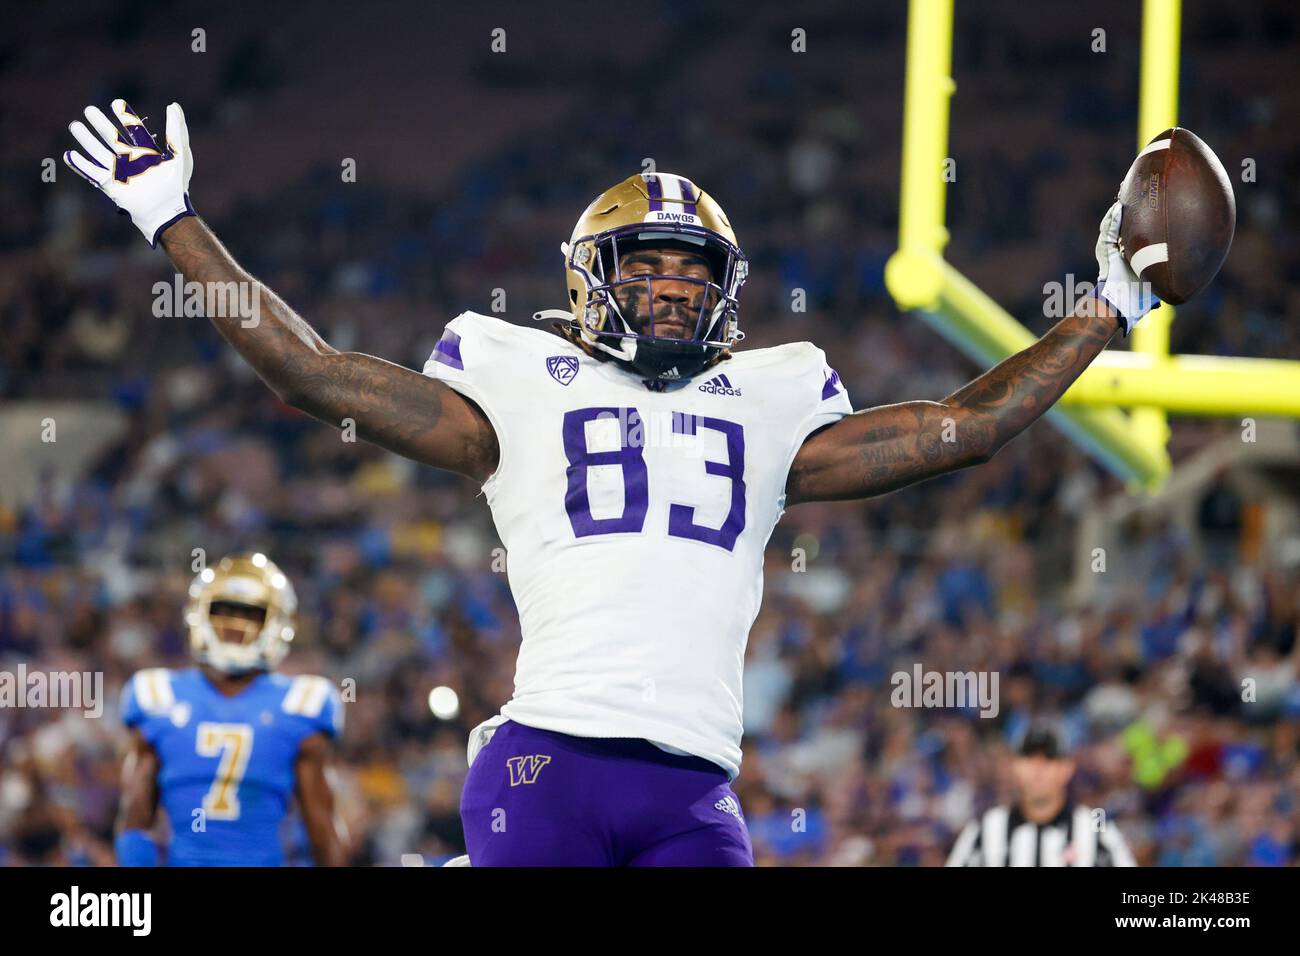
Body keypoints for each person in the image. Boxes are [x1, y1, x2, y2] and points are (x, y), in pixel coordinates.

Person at [68, 99, 1158, 866]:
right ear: (594, 278)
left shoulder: (773, 395)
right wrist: (172, 218)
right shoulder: (514, 377)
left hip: (694, 787)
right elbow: (310, 375)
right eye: (647, 263)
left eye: (695, 270)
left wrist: (1106, 307)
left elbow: (963, 430)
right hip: (548, 760)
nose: (674, 286)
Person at [116, 553, 347, 866]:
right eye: (224, 611)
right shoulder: (157, 696)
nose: (236, 625)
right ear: (201, 616)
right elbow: (136, 823)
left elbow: (320, 827)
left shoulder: (302, 703)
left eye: (251, 614)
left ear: (276, 624)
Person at [946, 727, 1136, 866]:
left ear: (1066, 768)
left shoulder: (1097, 827)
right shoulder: (985, 827)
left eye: (1049, 760)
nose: (1038, 770)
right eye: (1029, 759)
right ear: (1015, 767)